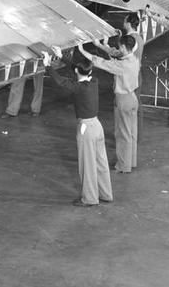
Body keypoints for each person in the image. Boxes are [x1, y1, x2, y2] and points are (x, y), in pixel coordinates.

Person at [47, 52, 113, 207]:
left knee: (87, 164)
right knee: (101, 162)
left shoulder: (78, 88)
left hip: (86, 129)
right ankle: (105, 193)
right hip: (97, 125)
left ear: (77, 71)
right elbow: (78, 69)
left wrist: (47, 65)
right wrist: (61, 56)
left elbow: (60, 81)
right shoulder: (93, 81)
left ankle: (90, 198)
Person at [77, 34, 141, 174]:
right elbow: (115, 54)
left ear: (124, 47)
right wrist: (100, 45)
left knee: (122, 134)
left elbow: (100, 62)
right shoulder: (134, 58)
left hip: (123, 100)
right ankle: (131, 161)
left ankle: (123, 166)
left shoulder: (121, 65)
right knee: (131, 132)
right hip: (133, 98)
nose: (118, 49)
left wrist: (82, 51)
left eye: (120, 47)